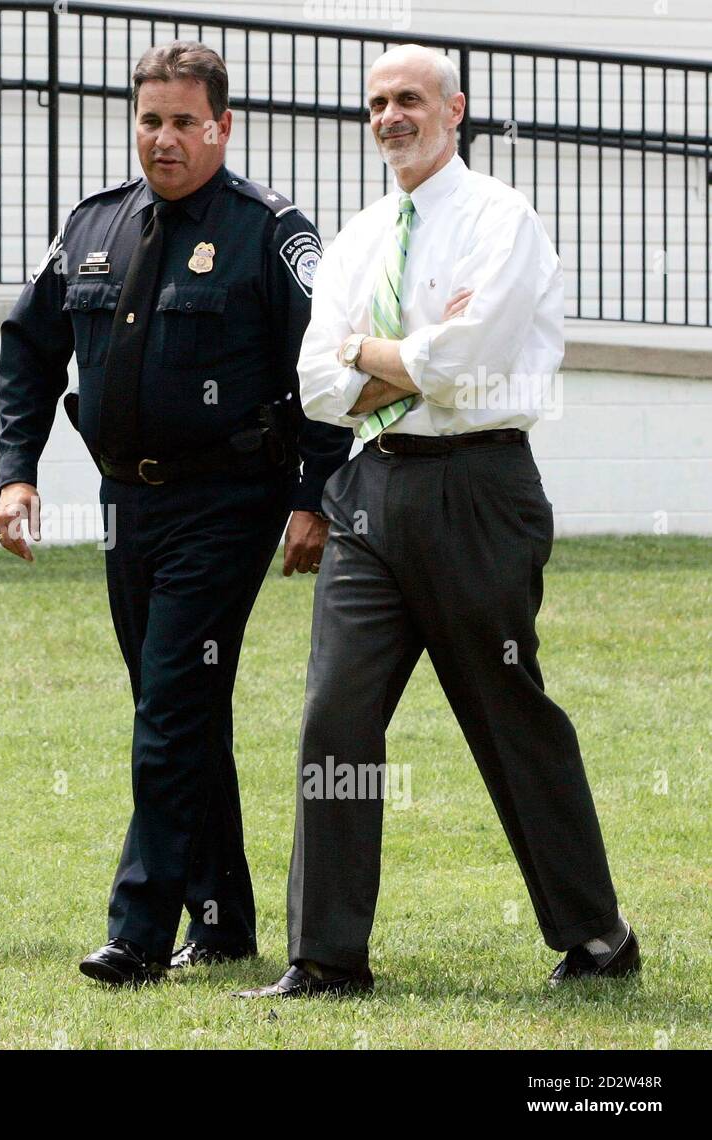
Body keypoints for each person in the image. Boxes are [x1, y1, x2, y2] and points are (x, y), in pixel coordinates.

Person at [234, 45, 637, 1000]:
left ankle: (596, 937)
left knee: (507, 713)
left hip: (478, 489)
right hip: (370, 494)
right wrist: (409, 355)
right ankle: (327, 957)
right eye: (376, 103)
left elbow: (471, 361)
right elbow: (316, 384)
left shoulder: (504, 220)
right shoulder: (360, 235)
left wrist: (377, 353)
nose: (391, 117)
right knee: (336, 717)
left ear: (454, 109)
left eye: (409, 99)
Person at [0, 41, 351, 986]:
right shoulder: (92, 225)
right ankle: (225, 917)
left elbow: (321, 371)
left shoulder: (268, 231)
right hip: (126, 503)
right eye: (150, 119)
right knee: (177, 708)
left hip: (228, 502)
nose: (164, 138)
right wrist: (15, 472)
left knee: (169, 712)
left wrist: (313, 497)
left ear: (222, 127)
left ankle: (139, 931)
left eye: (185, 121)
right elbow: (29, 346)